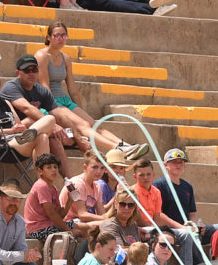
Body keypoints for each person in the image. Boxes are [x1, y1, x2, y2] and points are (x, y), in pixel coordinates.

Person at [35, 22, 148, 163]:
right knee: (83, 126)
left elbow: (72, 88)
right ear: (49, 37)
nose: (60, 38)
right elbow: (45, 88)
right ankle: (118, 149)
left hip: (64, 100)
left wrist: (79, 110)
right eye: (57, 35)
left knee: (95, 124)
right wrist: (57, 111)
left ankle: (125, 146)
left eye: (63, 35)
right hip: (52, 102)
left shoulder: (66, 58)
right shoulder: (42, 55)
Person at [0, 54, 80, 176]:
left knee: (53, 140)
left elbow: (60, 116)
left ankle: (70, 184)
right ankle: (32, 136)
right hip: (13, 136)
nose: (31, 73)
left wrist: (75, 137)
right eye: (27, 70)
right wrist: (53, 126)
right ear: (18, 73)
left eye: (34, 70)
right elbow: (27, 108)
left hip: (36, 136)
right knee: (41, 119)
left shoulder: (42, 91)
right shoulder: (11, 87)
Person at [0, 69, 56, 170]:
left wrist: (20, 128)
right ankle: (27, 137)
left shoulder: (5, 102)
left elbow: (18, 125)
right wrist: (10, 131)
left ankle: (42, 183)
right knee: (47, 124)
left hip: (16, 140)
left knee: (45, 134)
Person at [129, 157, 203, 265]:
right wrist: (156, 229)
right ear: (135, 177)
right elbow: (137, 218)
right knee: (164, 238)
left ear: (153, 175)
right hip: (140, 228)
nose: (146, 177)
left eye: (148, 174)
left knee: (186, 234)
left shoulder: (156, 192)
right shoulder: (132, 192)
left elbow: (157, 217)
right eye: (141, 175)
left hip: (154, 227)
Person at [23, 154, 82, 258]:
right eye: (49, 167)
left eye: (55, 167)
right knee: (71, 235)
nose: (53, 170)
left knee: (79, 228)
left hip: (48, 225)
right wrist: (68, 230)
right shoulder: (42, 186)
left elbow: (59, 215)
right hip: (37, 228)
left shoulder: (53, 188)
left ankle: (75, 263)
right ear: (40, 170)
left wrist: (69, 201)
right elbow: (51, 213)